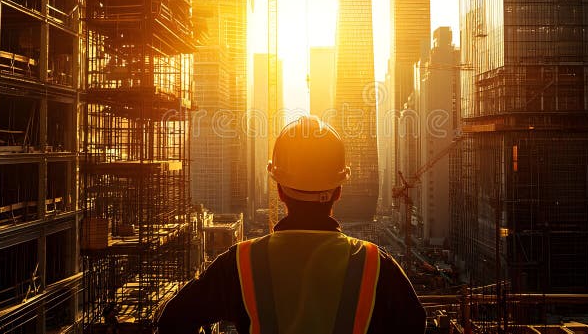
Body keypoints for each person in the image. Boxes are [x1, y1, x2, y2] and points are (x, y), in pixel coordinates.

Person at [158, 116, 426, 333]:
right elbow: (414, 324)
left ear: (280, 191)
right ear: (338, 191)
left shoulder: (239, 264)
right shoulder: (375, 265)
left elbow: (174, 320)